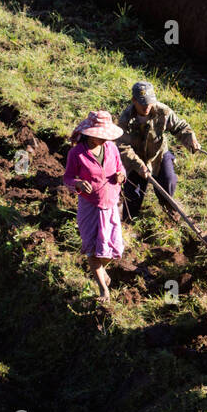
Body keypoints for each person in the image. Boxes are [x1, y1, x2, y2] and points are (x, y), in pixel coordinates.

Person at [64, 109, 127, 304]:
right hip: (90, 207)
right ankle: (103, 289)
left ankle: (102, 270)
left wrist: (121, 176)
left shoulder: (112, 149)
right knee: (92, 249)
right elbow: (67, 178)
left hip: (110, 205)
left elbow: (121, 168)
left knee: (111, 249)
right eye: (100, 136)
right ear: (89, 133)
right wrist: (78, 183)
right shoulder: (77, 153)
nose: (103, 139)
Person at [116, 81, 201, 220]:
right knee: (133, 197)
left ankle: (167, 206)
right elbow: (123, 147)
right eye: (143, 103)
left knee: (169, 180)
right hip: (135, 159)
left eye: (149, 102)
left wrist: (191, 139)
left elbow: (179, 127)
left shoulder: (162, 111)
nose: (147, 106)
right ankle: (129, 219)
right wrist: (139, 166)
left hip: (158, 154)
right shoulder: (126, 119)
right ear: (134, 100)